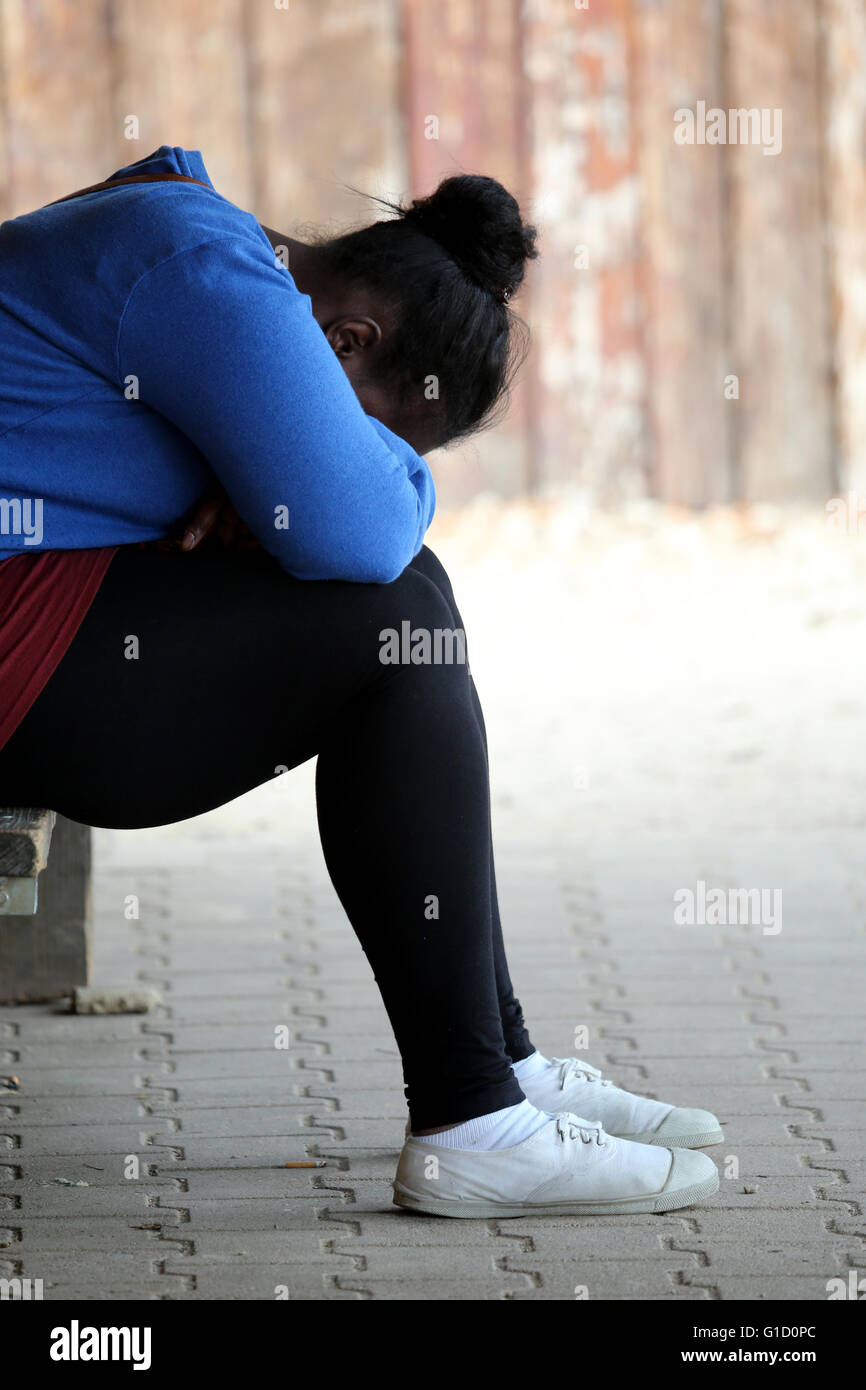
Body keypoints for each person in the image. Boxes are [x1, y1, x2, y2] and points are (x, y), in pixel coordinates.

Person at [0, 145, 721, 1217]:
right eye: (365, 424)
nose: (349, 443)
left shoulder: (192, 238)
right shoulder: (204, 270)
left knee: (405, 596)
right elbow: (357, 523)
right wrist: (344, 479)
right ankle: (474, 1115)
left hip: (43, 609)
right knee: (390, 619)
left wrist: (319, 475)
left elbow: (350, 516)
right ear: (346, 341)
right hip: (25, 642)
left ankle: (496, 1071)